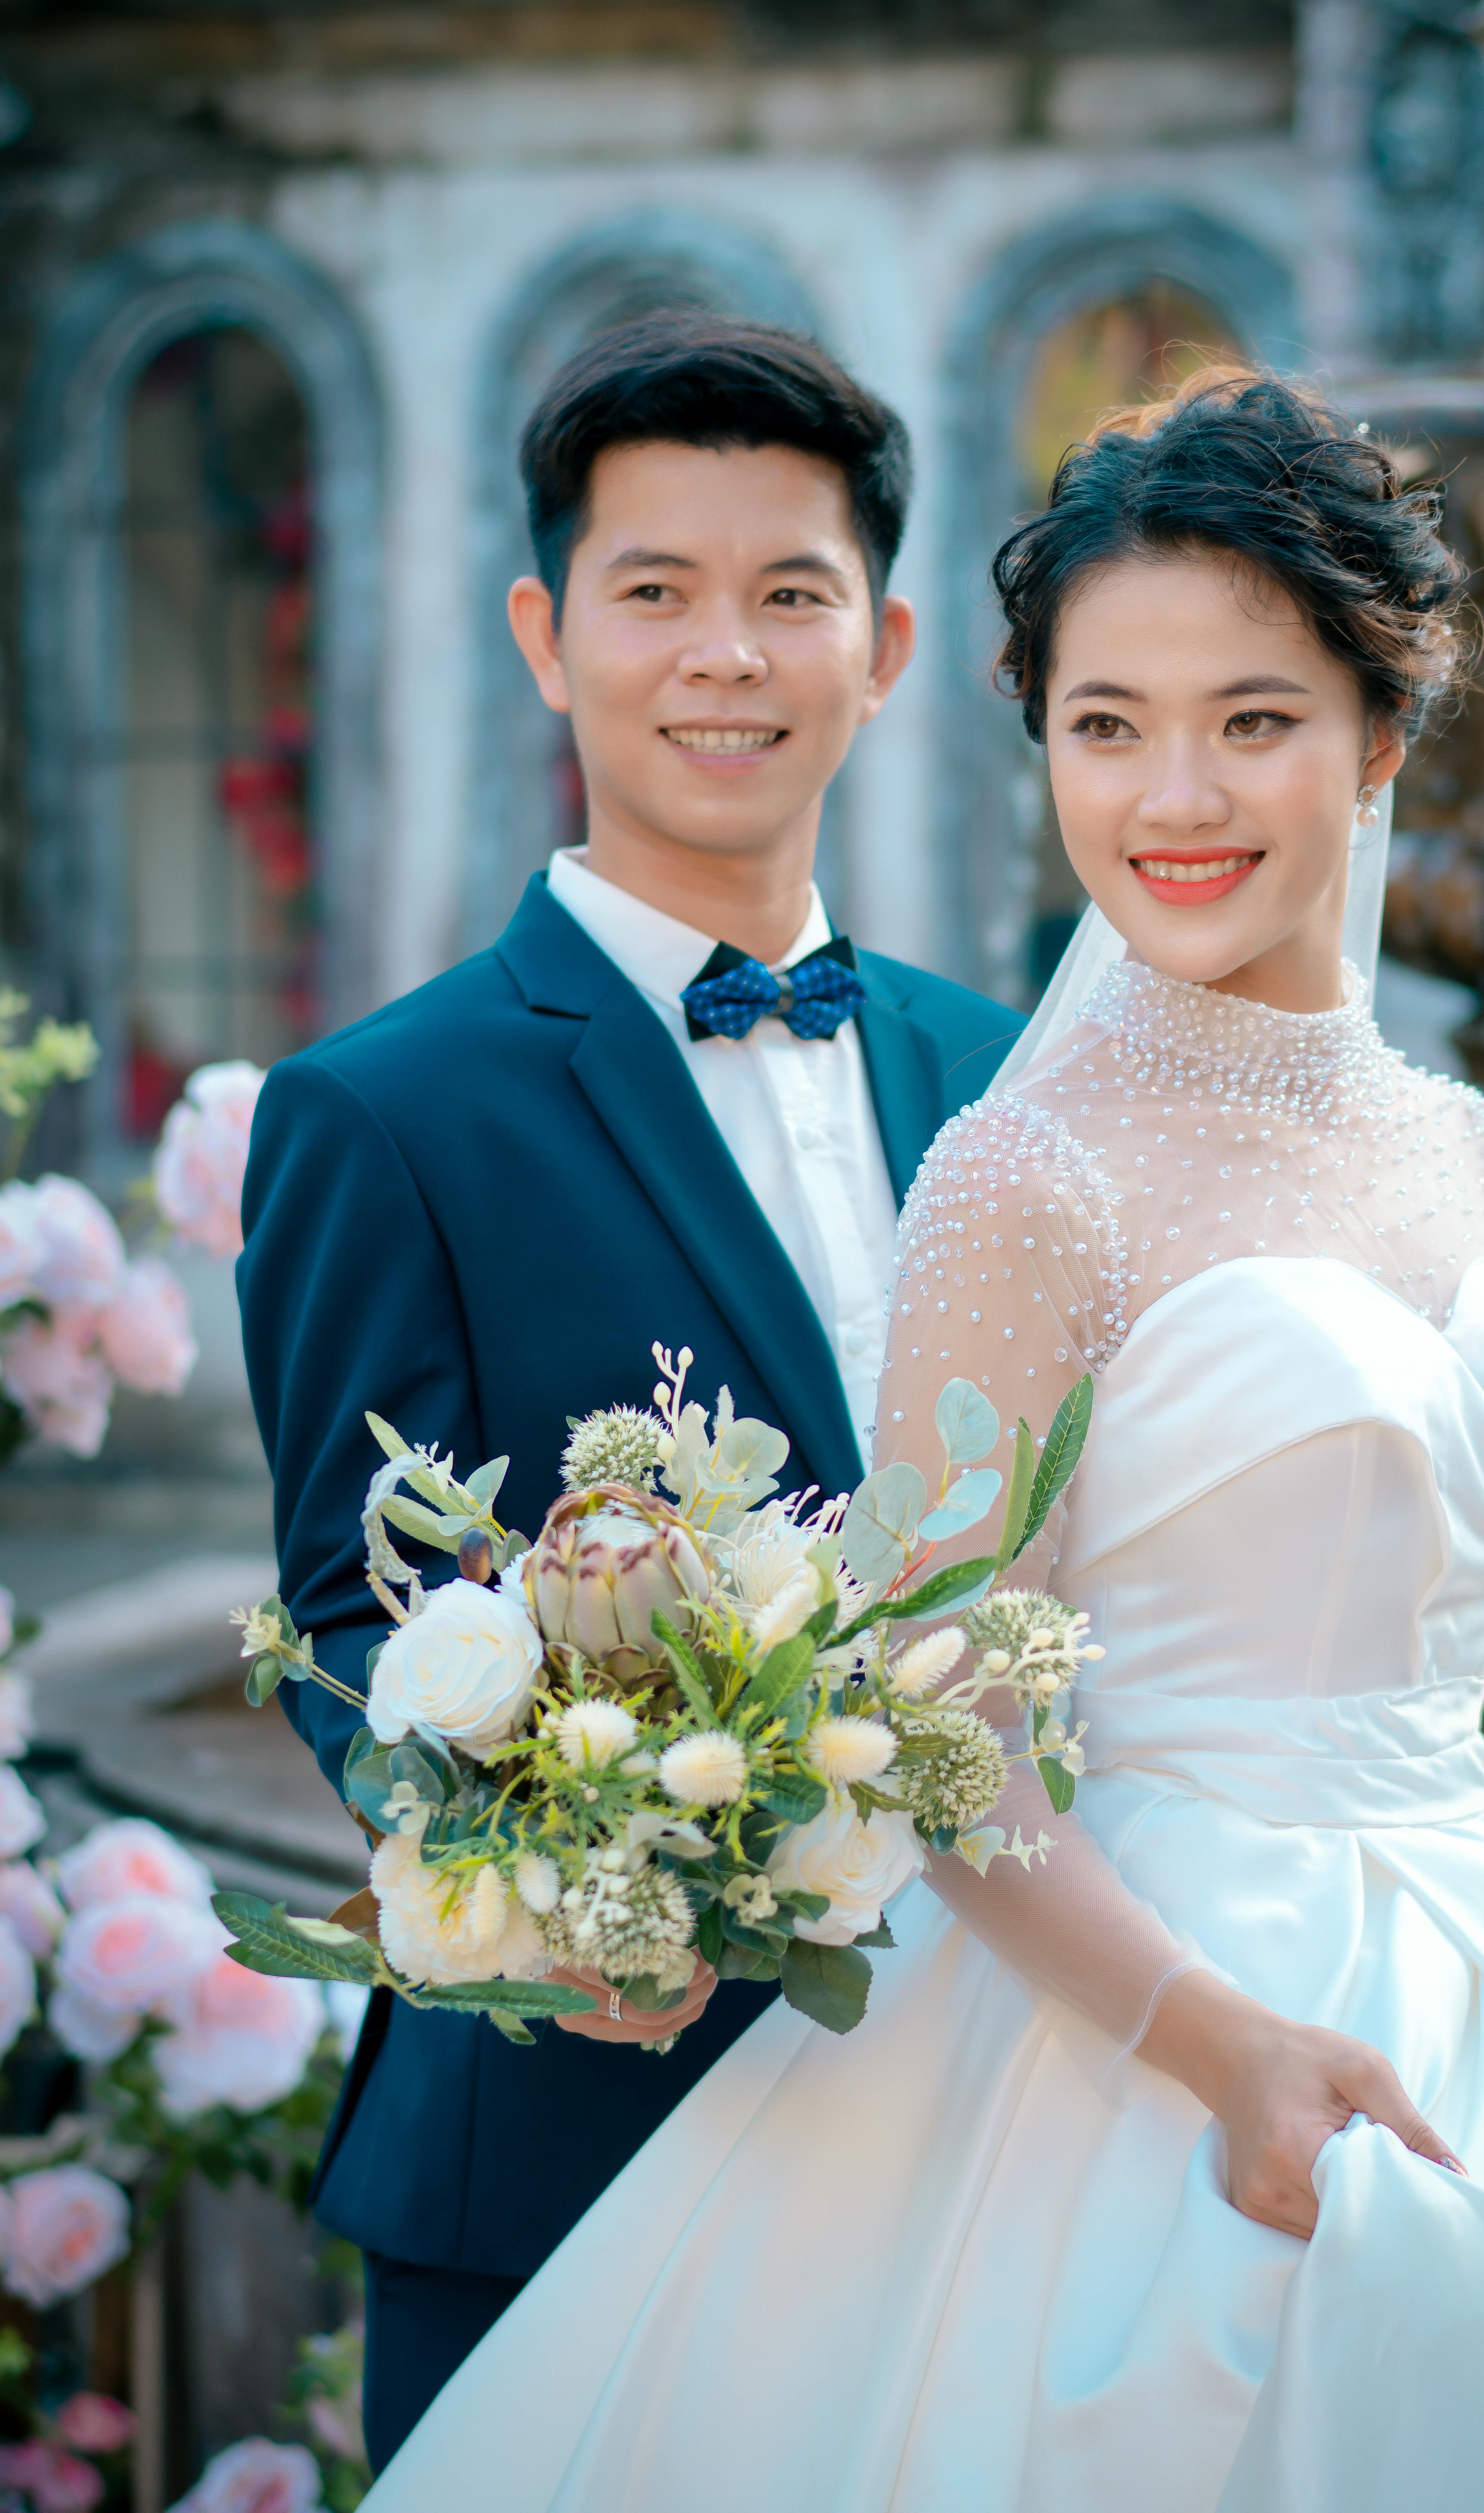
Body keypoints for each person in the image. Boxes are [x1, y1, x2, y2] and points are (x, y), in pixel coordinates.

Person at [361, 368, 1484, 2511]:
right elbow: (941, 1724)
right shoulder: (1026, 1173)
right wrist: (1223, 2051)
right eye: (1106, 726)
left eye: (1253, 721)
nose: (1173, 792)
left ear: (1381, 740)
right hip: (1141, 2018)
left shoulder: (1470, 1153)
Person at [236, 313, 1022, 2474]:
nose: (723, 658)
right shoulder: (379, 1111)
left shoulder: (1005, 1072)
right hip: (578, 2118)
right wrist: (554, 1897)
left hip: (988, 2113)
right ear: (543, 631)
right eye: (652, 592)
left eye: (788, 597)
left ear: (877, 648)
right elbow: (344, 1612)